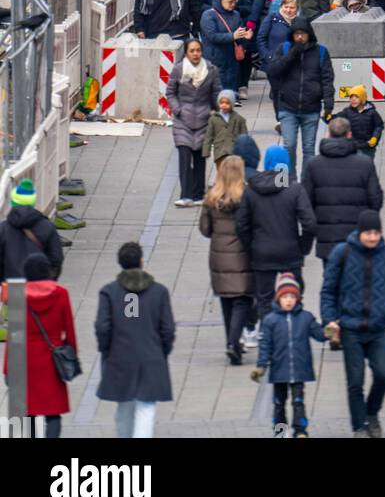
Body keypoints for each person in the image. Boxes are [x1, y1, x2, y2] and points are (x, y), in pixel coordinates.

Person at [320, 209, 385, 438]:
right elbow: (328, 290)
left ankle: (371, 412)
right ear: (359, 232)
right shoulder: (342, 253)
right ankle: (359, 427)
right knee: (355, 381)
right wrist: (329, 320)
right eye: (368, 233)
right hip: (351, 328)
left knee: (384, 374)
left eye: (376, 232)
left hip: (378, 328)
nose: (373, 237)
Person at [95, 241, 176, 439]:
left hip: (119, 356)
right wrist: (162, 350)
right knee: (146, 406)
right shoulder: (159, 292)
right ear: (141, 261)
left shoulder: (109, 292)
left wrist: (106, 350)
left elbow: (103, 327)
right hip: (151, 355)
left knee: (124, 404)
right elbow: (168, 328)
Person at [235, 145, 318, 320]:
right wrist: (303, 247)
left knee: (264, 300)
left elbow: (241, 224)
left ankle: (268, 337)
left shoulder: (252, 189)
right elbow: (309, 223)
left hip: (262, 252)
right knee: (294, 295)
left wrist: (251, 246)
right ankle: (293, 332)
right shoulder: (294, 189)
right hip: (290, 251)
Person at [3, 252, 77, 438]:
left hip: (23, 360)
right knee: (53, 413)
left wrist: (6, 368)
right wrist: (71, 356)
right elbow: (69, 330)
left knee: (28, 413)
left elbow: (13, 335)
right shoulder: (60, 294)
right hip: (52, 359)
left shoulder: (17, 296)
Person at [251, 271, 327, 437]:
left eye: (292, 297)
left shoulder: (306, 318)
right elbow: (265, 344)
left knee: (298, 401)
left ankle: (300, 430)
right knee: (279, 402)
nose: (289, 301)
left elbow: (319, 334)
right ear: (278, 298)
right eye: (285, 297)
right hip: (279, 369)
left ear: (298, 299)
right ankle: (280, 431)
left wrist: (328, 332)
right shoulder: (270, 320)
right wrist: (261, 366)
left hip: (300, 368)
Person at [302, 115, 383, 263]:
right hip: (357, 235)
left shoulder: (314, 165)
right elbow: (375, 199)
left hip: (327, 236)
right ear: (349, 134)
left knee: (331, 279)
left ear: (328, 134)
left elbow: (306, 201)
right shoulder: (364, 163)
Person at [199, 155, 255, 365]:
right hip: (242, 255)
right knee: (242, 299)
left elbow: (205, 230)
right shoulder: (247, 196)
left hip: (219, 257)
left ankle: (231, 342)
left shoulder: (211, 198)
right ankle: (233, 342)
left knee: (226, 301)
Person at [266, 15, 334, 177]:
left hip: (311, 108)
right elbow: (273, 71)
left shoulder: (321, 52)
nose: (300, 37)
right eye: (296, 34)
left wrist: (328, 103)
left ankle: (306, 183)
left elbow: (327, 79)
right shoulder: (284, 48)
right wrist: (292, 54)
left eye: (303, 33)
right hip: (288, 107)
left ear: (309, 34)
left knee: (309, 148)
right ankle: (291, 180)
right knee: (289, 145)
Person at [164, 38, 222, 208]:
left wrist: (217, 111)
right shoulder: (178, 70)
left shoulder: (211, 70)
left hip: (204, 119)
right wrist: (177, 109)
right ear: (187, 53)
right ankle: (185, 194)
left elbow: (216, 93)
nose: (196, 54)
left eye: (198, 50)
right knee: (184, 156)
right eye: (192, 51)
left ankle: (198, 194)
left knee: (200, 158)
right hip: (183, 120)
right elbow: (170, 92)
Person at [0, 177, 63, 280]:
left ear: (13, 202)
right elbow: (56, 258)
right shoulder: (47, 226)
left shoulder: (3, 229)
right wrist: (49, 280)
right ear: (33, 202)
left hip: (12, 286)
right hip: (41, 286)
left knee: (14, 297)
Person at [202, 88, 249, 168]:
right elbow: (209, 136)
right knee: (221, 173)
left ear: (232, 104)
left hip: (234, 152)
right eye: (222, 103)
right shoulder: (214, 119)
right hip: (220, 152)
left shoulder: (239, 119)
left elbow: (244, 136)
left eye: (227, 103)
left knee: (234, 173)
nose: (224, 105)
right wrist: (206, 151)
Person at [334, 83, 384, 153]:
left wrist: (375, 137)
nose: (353, 99)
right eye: (351, 97)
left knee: (367, 163)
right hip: (353, 146)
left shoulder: (372, 112)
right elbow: (337, 119)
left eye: (356, 97)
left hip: (368, 146)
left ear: (363, 98)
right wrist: (329, 117)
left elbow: (379, 126)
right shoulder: (347, 111)